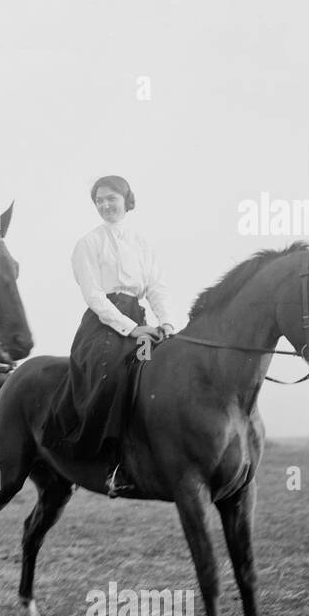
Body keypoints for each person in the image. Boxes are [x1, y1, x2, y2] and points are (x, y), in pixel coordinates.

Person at [52, 174, 177, 495]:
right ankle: (112, 463)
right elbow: (94, 296)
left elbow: (157, 287)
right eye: (100, 200)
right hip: (102, 327)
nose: (106, 205)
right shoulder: (88, 244)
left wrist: (166, 323)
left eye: (112, 198)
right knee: (114, 374)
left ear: (126, 200)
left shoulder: (143, 243)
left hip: (141, 320)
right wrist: (131, 328)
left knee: (164, 372)